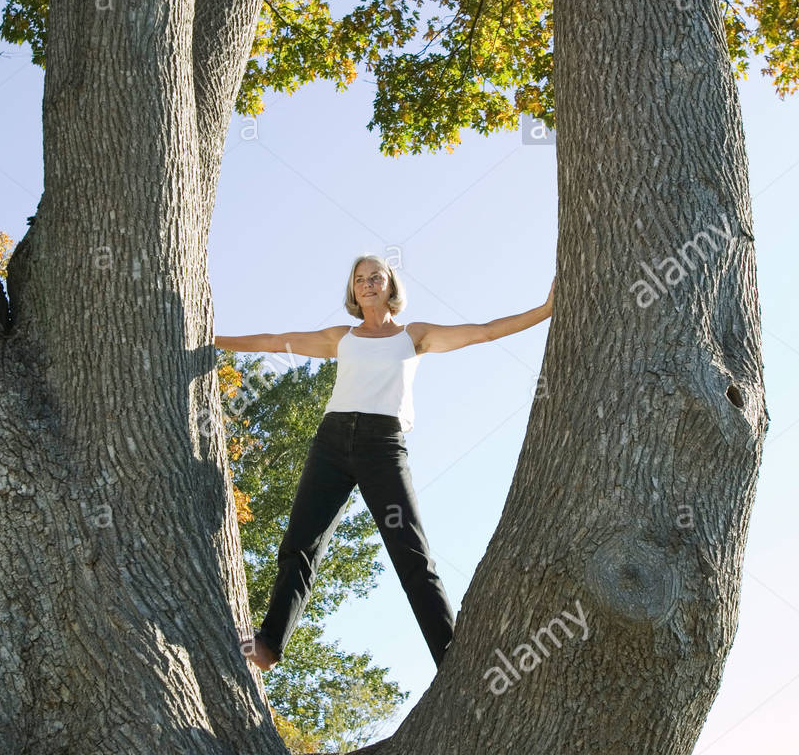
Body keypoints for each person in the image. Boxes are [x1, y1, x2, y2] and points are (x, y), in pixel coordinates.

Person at [215, 254, 555, 672]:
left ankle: (451, 663)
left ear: (391, 286)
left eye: (376, 276)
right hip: (332, 445)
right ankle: (268, 645)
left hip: (383, 448)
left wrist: (543, 311)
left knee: (412, 554)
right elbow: (275, 341)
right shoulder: (342, 337)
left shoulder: (415, 336)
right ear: (353, 291)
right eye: (360, 279)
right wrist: (214, 340)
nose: (368, 283)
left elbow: (482, 332)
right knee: (300, 543)